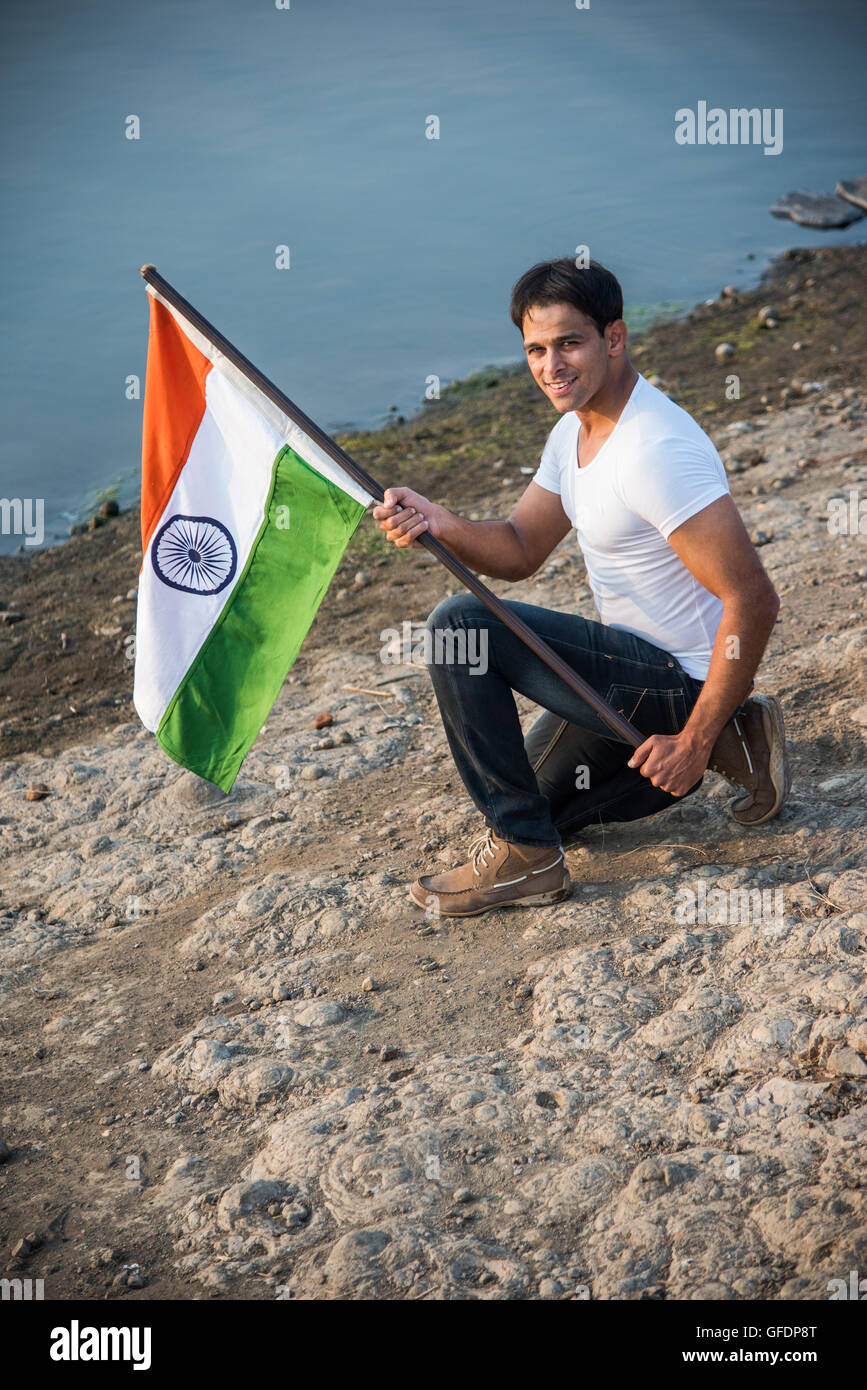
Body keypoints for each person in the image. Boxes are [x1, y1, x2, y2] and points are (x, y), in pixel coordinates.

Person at [373, 258, 790, 918]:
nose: (550, 366)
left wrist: (692, 741)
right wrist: (438, 521)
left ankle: (527, 860)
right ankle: (741, 738)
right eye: (535, 350)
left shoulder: (653, 450)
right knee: (538, 806)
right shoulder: (573, 434)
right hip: (628, 695)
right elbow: (518, 548)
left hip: (671, 690)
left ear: (613, 339)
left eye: (568, 343)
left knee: (460, 628)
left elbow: (753, 598)